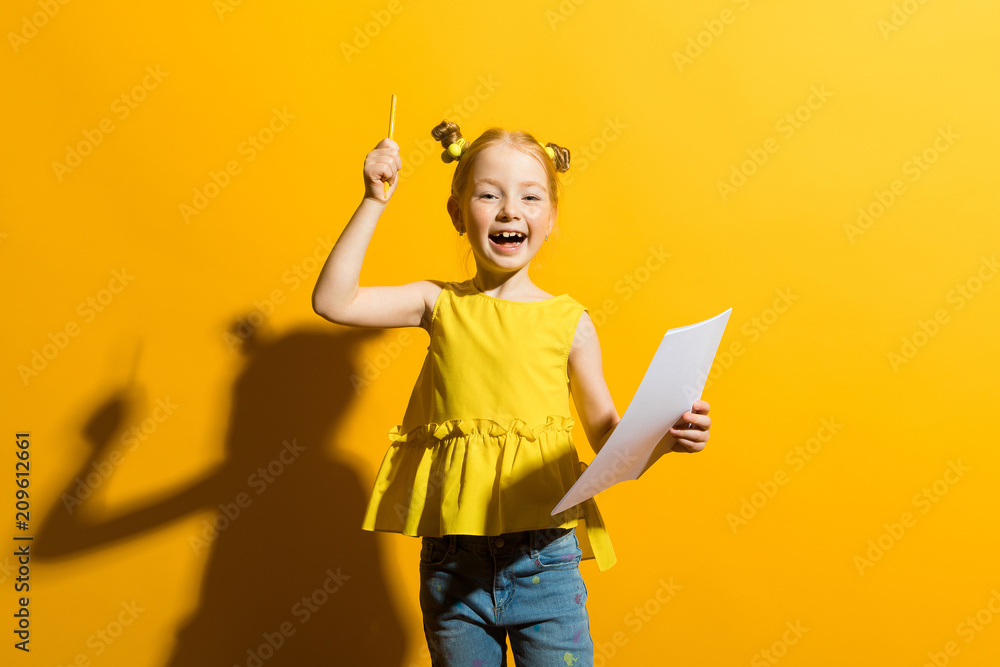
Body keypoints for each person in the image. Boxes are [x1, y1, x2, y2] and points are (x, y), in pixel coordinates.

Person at [312, 118, 712, 666]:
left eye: (529, 196)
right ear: (458, 214)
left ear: (549, 219)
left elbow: (608, 442)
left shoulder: (571, 322)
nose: (509, 210)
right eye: (488, 195)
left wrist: (666, 437)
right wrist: (373, 201)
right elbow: (334, 301)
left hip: (544, 560)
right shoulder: (438, 303)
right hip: (453, 563)